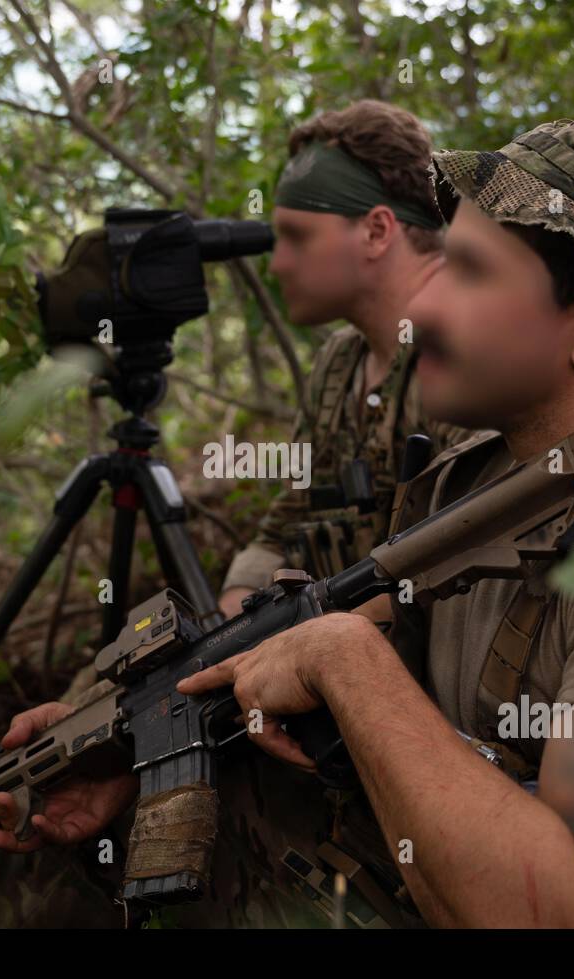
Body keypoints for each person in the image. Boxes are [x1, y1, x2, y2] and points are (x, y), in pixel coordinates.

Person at [0, 120, 574, 929]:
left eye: (467, 273)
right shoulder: (493, 490)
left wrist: (344, 659)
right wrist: (142, 736)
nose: (419, 311)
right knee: (61, 871)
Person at [217, 99, 471, 618]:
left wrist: (303, 647)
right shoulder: (340, 362)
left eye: (297, 237)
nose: (279, 263)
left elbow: (470, 568)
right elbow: (288, 523)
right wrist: (235, 615)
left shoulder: (470, 347)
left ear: (377, 231)